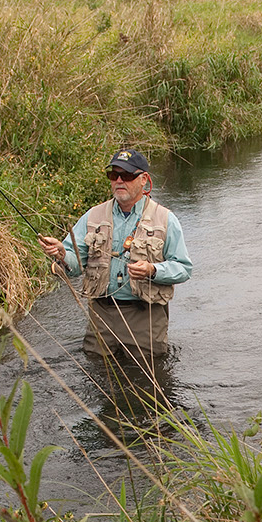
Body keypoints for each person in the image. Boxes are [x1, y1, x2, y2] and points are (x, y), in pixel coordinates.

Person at [39, 149, 192, 362]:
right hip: (101, 313)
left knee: (148, 372)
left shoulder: (166, 219)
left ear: (144, 180)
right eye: (114, 175)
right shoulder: (92, 216)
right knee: (97, 369)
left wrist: (152, 270)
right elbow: (75, 266)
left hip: (145, 315)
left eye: (127, 175)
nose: (119, 181)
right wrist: (63, 254)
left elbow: (184, 268)